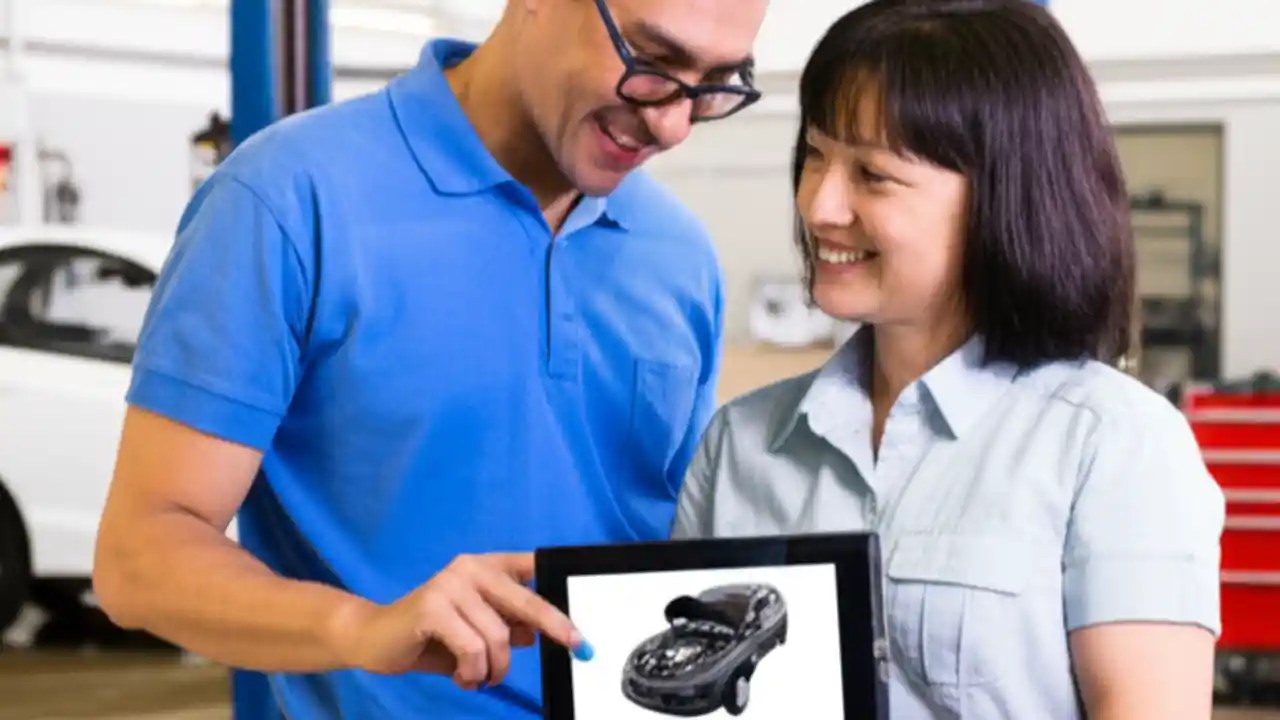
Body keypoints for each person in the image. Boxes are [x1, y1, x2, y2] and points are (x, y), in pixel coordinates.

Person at [92, 0, 769, 717]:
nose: (672, 125)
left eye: (716, 83)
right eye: (651, 62)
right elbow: (141, 558)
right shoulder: (287, 199)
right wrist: (360, 628)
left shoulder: (681, 256)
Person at [670, 1, 1225, 718]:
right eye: (814, 155)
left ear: (998, 199)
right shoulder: (740, 446)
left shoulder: (1112, 445)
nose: (819, 205)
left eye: (872, 174)